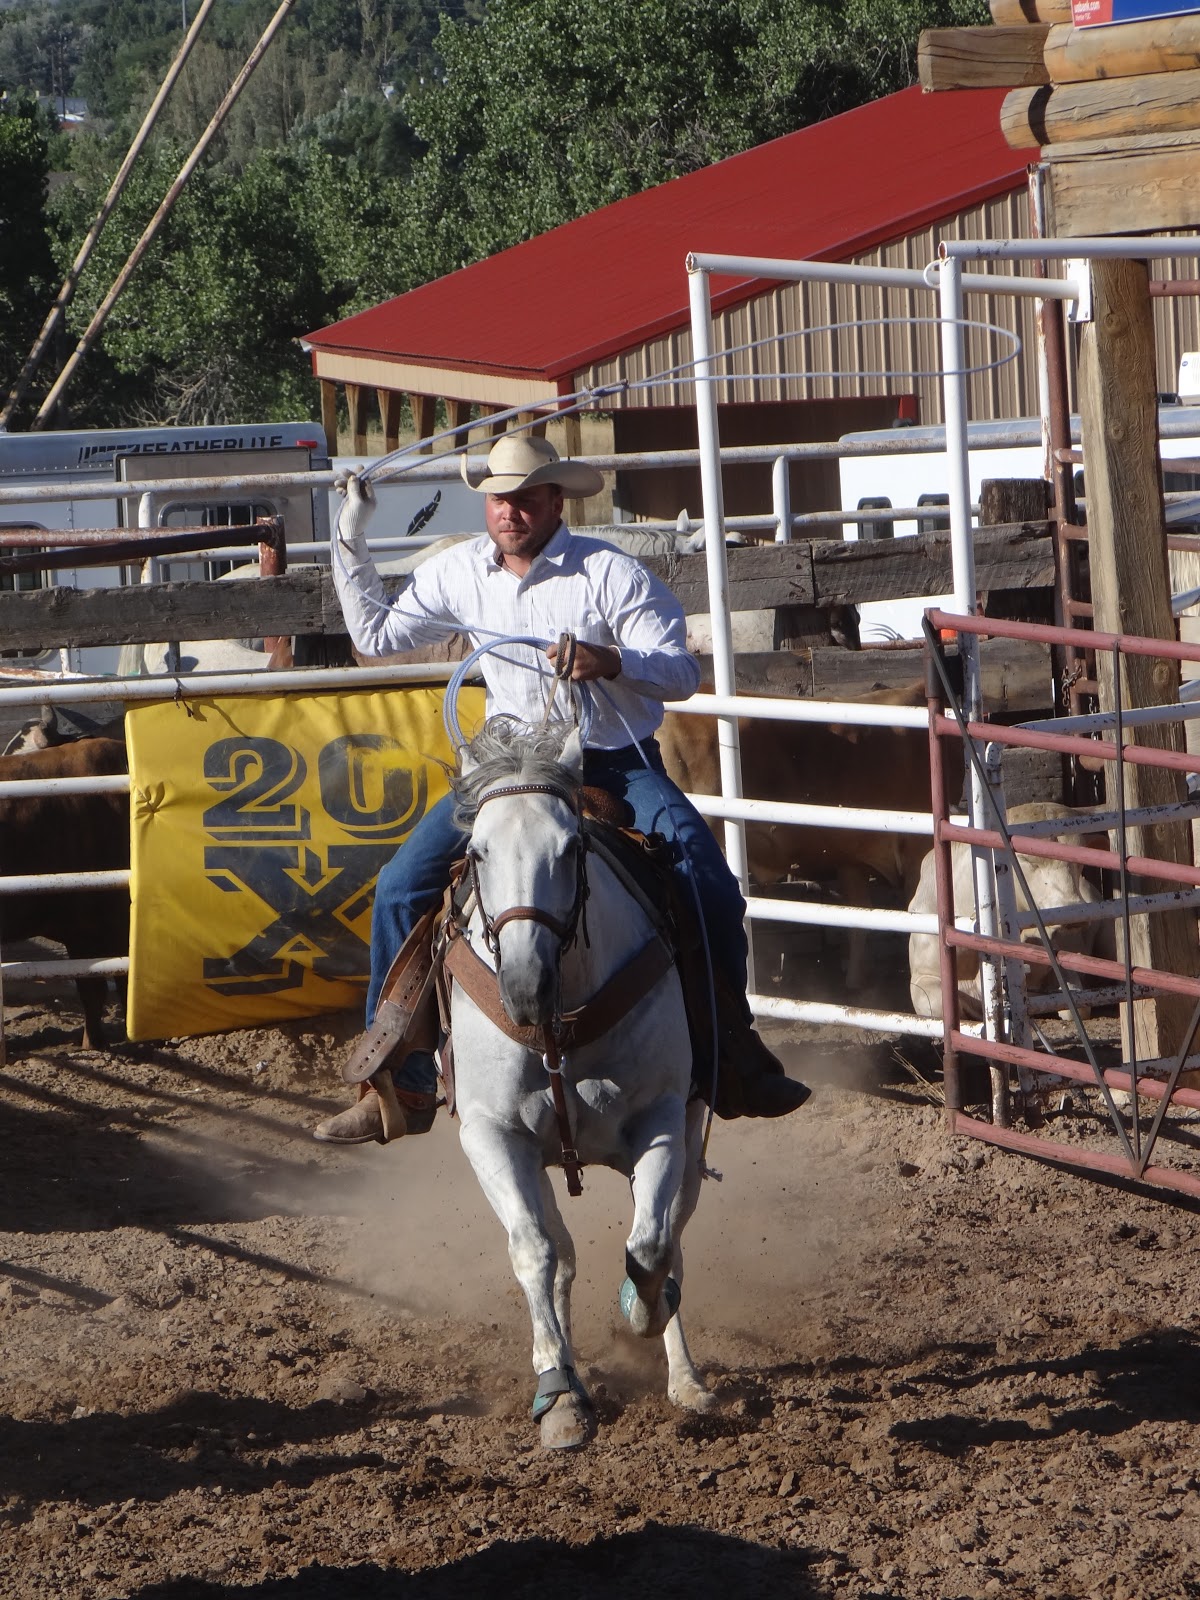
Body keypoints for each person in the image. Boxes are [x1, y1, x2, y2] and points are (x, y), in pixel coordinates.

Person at [313, 430, 810, 1144]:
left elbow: (680, 673)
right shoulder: (460, 572)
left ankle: (732, 1053)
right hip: (507, 772)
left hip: (614, 762)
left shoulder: (608, 574)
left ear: (554, 502)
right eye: (497, 499)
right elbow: (378, 634)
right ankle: (401, 1080)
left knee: (708, 882)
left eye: (523, 498)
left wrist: (611, 660)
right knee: (398, 887)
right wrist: (349, 534)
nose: (508, 511)